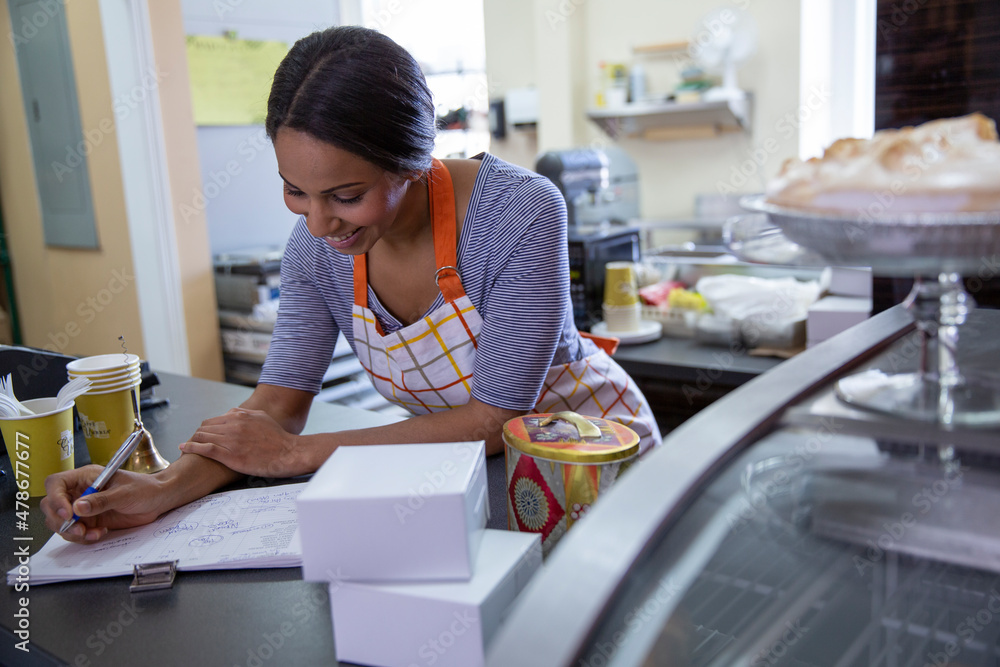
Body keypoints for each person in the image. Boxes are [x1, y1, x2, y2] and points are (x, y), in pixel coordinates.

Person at [41, 26, 661, 543]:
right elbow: (276, 408)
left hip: (591, 454)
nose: (318, 223)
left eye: (346, 195)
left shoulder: (519, 213)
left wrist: (297, 455)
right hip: (465, 476)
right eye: (295, 191)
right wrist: (159, 489)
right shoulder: (318, 248)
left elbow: (491, 420)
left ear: (416, 162)